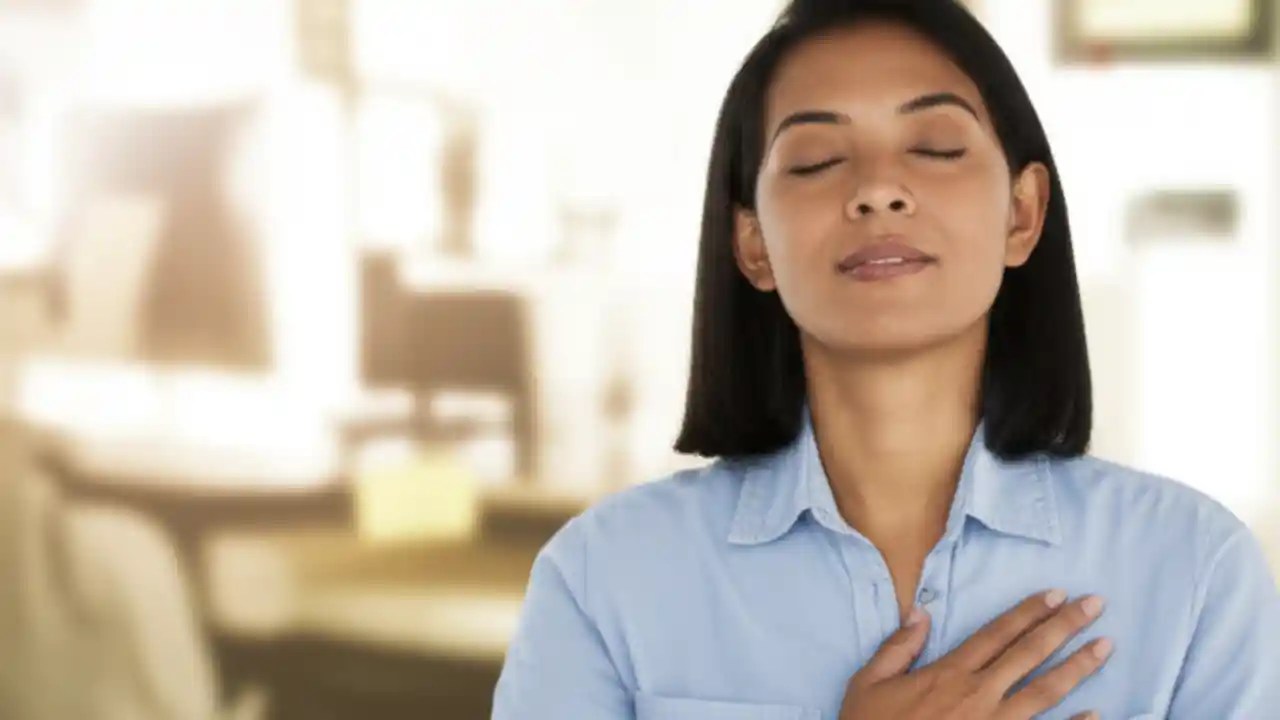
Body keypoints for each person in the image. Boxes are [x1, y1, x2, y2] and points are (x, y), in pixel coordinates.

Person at [491, 0, 1280, 718]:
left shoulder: (1195, 571)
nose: (878, 190)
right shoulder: (606, 578)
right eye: (815, 161)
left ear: (1023, 213)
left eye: (935, 147)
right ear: (753, 243)